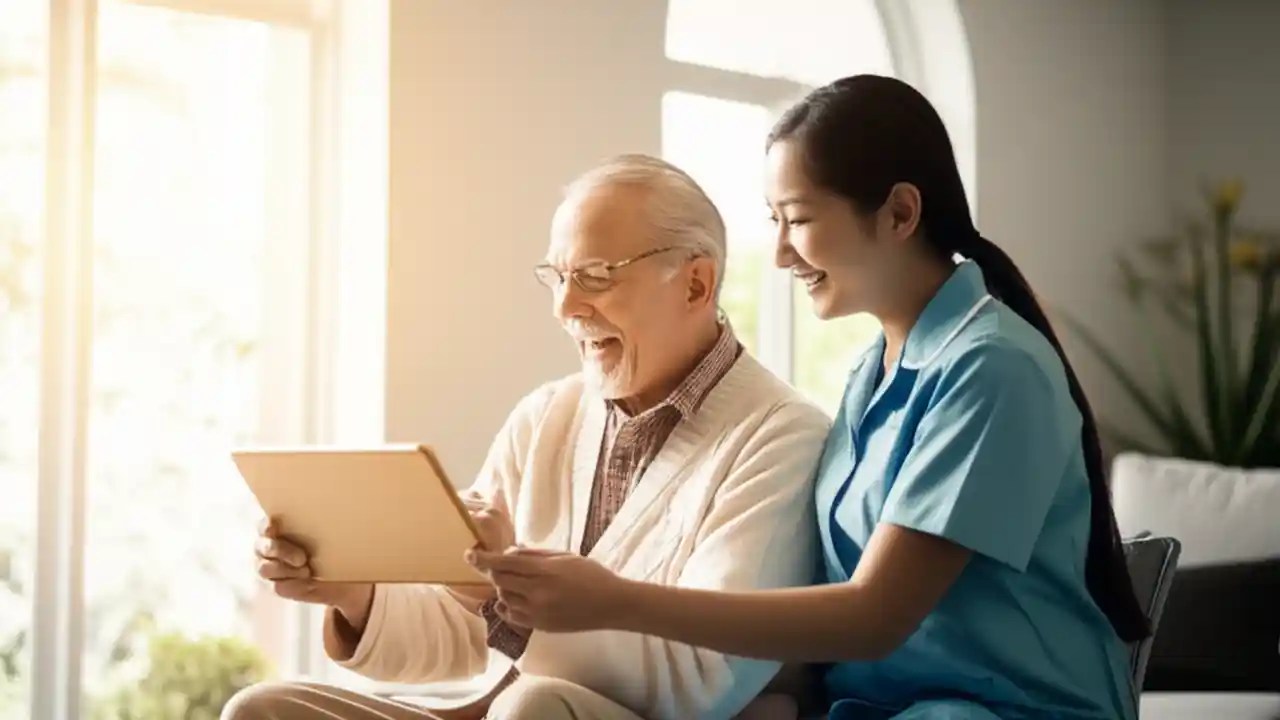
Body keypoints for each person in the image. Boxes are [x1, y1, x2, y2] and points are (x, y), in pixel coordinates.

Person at [469, 75, 1150, 720]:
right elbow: (829, 607)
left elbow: (875, 615)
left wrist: (616, 602)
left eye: (796, 220)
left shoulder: (994, 370)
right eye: (773, 221)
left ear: (900, 213)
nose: (780, 255)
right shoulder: (870, 377)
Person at [223, 154, 831, 720]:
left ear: (696, 284)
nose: (566, 307)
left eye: (595, 277)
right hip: (494, 709)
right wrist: (354, 594)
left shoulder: (779, 435)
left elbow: (703, 681)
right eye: (558, 277)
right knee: (262, 708)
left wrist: (495, 598)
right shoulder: (547, 415)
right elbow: (468, 645)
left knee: (533, 706)